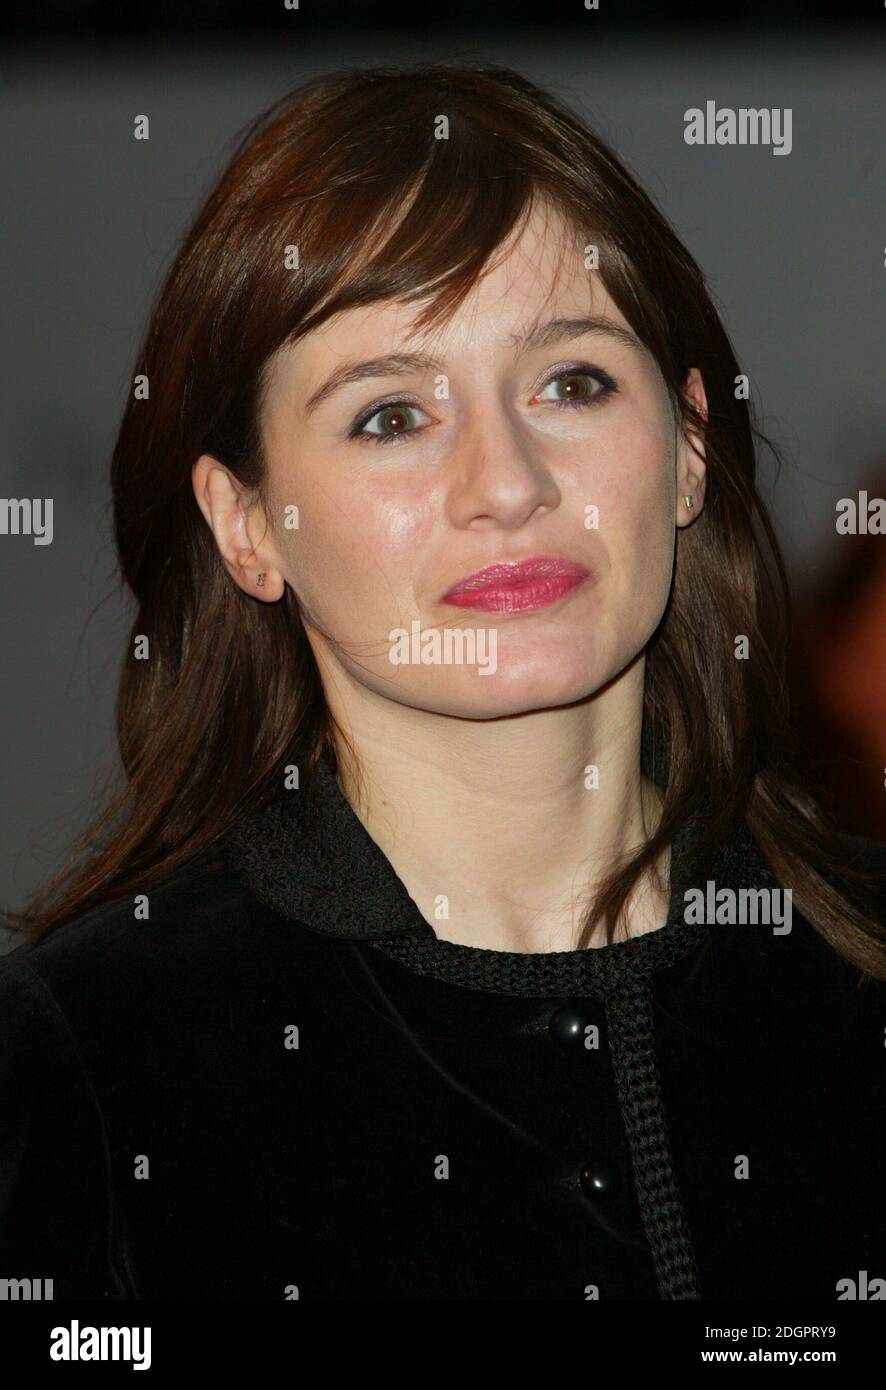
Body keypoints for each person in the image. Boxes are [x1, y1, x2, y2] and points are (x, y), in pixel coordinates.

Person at [1, 62, 883, 1302]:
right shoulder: (87, 1062)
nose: (504, 481)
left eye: (571, 382)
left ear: (686, 448)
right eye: (389, 416)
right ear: (246, 521)